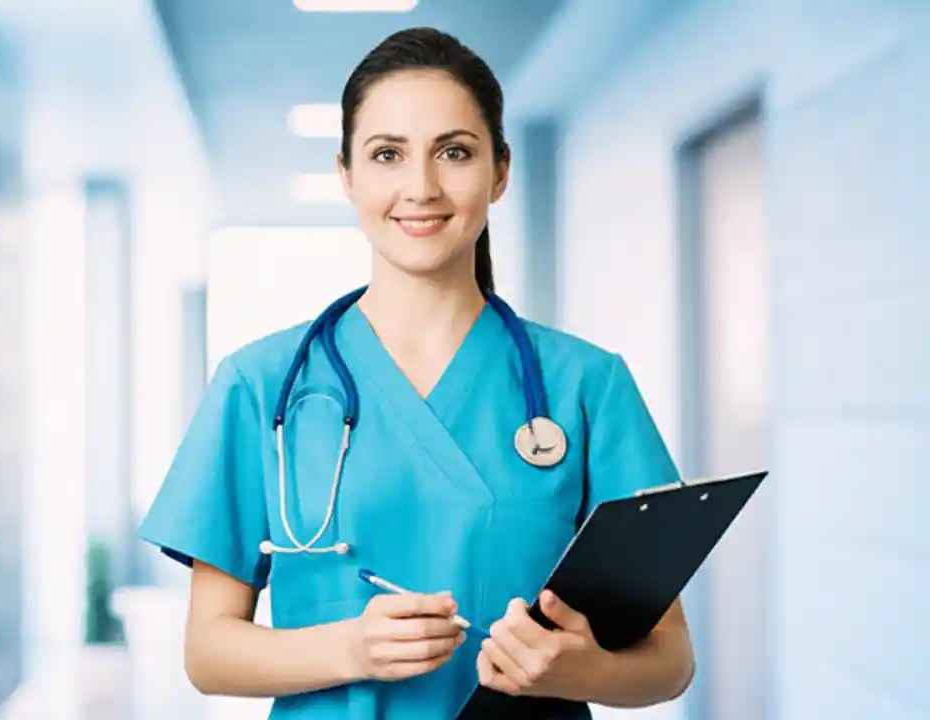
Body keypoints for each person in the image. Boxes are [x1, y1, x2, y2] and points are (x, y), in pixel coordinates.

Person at [137, 26, 695, 720]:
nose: (421, 187)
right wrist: (350, 650)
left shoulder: (587, 386)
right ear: (347, 174)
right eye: (387, 155)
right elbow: (209, 653)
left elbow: (670, 659)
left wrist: (585, 671)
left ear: (499, 171)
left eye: (454, 152)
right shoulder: (260, 385)